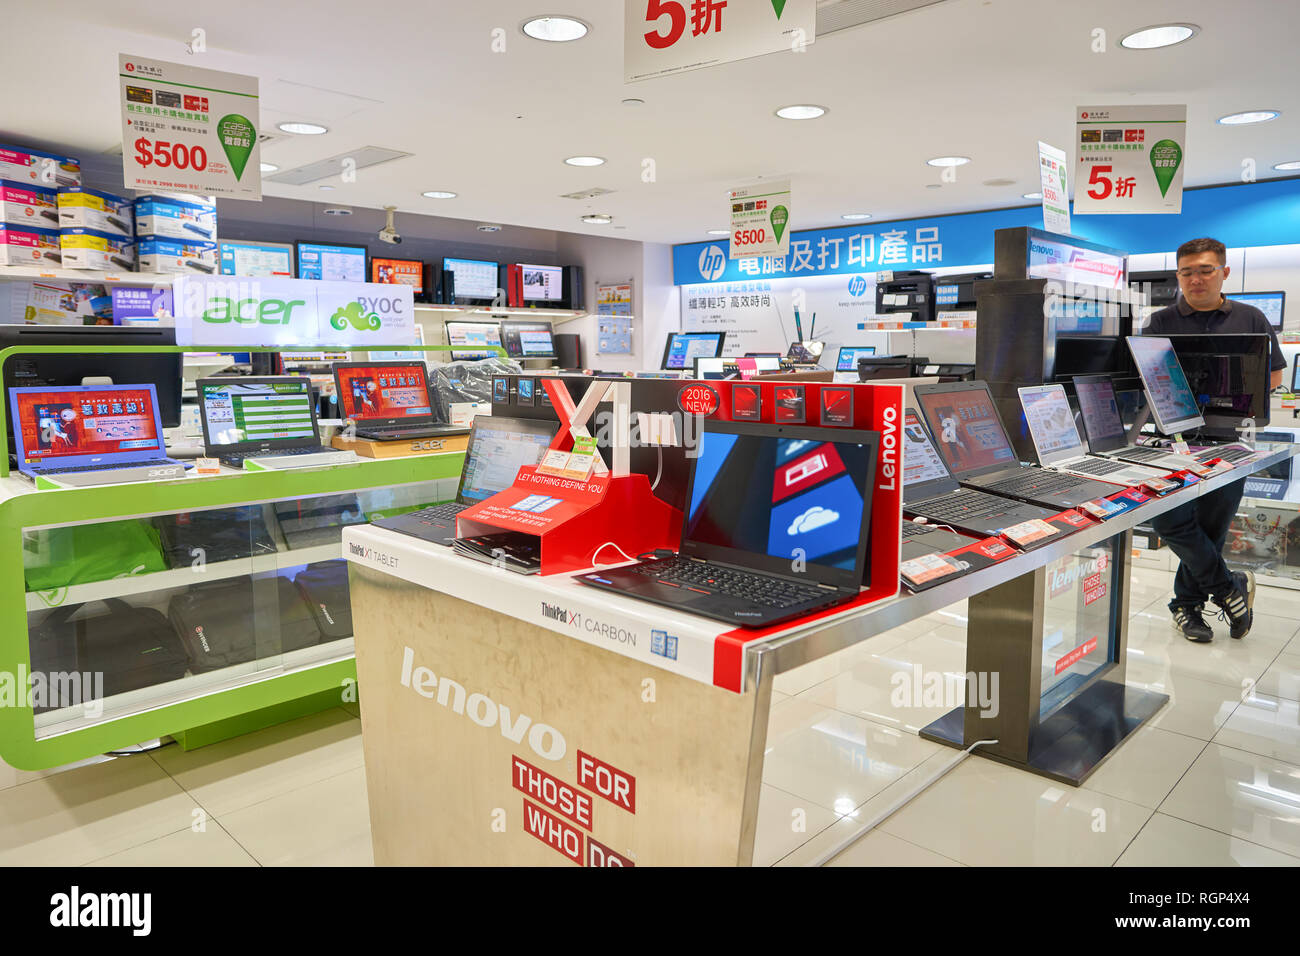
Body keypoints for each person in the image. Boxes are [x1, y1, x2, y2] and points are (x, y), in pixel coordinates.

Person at [1144, 237, 1287, 643]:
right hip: (1173, 439)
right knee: (1168, 519)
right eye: (1187, 271)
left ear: (1224, 272)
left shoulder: (1251, 317)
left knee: (1211, 526)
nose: (1196, 279)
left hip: (1233, 438)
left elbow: (1274, 374)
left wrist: (1238, 395)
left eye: (1206, 270)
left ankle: (1186, 606)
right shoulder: (1159, 323)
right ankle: (1228, 587)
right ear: (1178, 276)